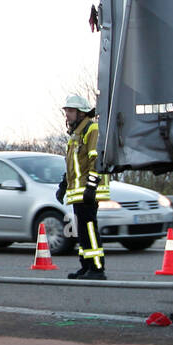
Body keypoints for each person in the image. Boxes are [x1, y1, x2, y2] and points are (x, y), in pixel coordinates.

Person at [57, 94, 109, 280]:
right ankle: (86, 266)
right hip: (78, 191)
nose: (67, 115)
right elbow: (73, 164)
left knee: (89, 230)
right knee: (83, 231)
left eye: (71, 111)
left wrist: (91, 188)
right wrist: (64, 184)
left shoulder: (91, 129)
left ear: (81, 112)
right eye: (67, 111)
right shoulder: (76, 134)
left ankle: (96, 268)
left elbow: (96, 160)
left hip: (88, 191)